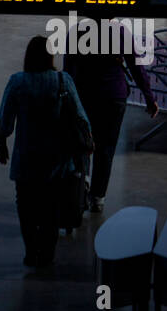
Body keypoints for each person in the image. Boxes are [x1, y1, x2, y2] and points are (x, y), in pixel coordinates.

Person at [0, 36, 91, 268]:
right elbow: (79, 116)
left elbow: (5, 121)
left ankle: (30, 250)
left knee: (26, 205)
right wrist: (88, 141)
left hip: (26, 156)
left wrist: (2, 143)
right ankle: (47, 253)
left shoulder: (18, 82)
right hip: (56, 159)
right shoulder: (62, 80)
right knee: (51, 206)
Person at [65, 45, 159, 214]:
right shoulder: (120, 32)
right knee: (106, 149)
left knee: (82, 143)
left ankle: (82, 183)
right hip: (113, 97)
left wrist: (67, 101)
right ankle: (97, 198)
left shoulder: (77, 32)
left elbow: (68, 71)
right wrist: (149, 98)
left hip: (84, 95)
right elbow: (136, 67)